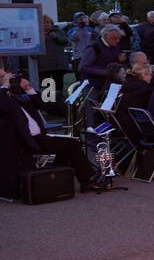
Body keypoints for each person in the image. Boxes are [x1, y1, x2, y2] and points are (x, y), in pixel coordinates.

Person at [0, 61, 97, 192]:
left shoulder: (14, 95)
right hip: (21, 142)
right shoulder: (4, 97)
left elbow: (41, 105)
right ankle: (88, 180)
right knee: (71, 145)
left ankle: (56, 181)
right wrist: (5, 86)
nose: (9, 80)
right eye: (3, 77)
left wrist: (29, 89)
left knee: (68, 145)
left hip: (36, 137)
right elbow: (4, 106)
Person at [38, 15, 70, 113]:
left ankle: (58, 106)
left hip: (58, 64)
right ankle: (48, 108)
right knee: (47, 86)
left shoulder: (58, 31)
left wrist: (56, 37)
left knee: (58, 85)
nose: (46, 25)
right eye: (44, 23)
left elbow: (65, 41)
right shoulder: (38, 33)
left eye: (48, 23)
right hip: (44, 64)